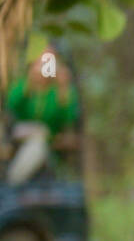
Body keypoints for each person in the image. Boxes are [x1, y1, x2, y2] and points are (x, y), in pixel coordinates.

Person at [4, 46, 79, 185]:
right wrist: (30, 83)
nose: (46, 67)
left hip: (48, 140)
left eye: (51, 62)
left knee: (39, 144)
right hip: (20, 135)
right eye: (43, 62)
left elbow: (69, 119)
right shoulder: (23, 85)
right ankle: (13, 181)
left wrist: (63, 90)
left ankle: (13, 181)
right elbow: (11, 105)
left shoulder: (58, 91)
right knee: (38, 140)